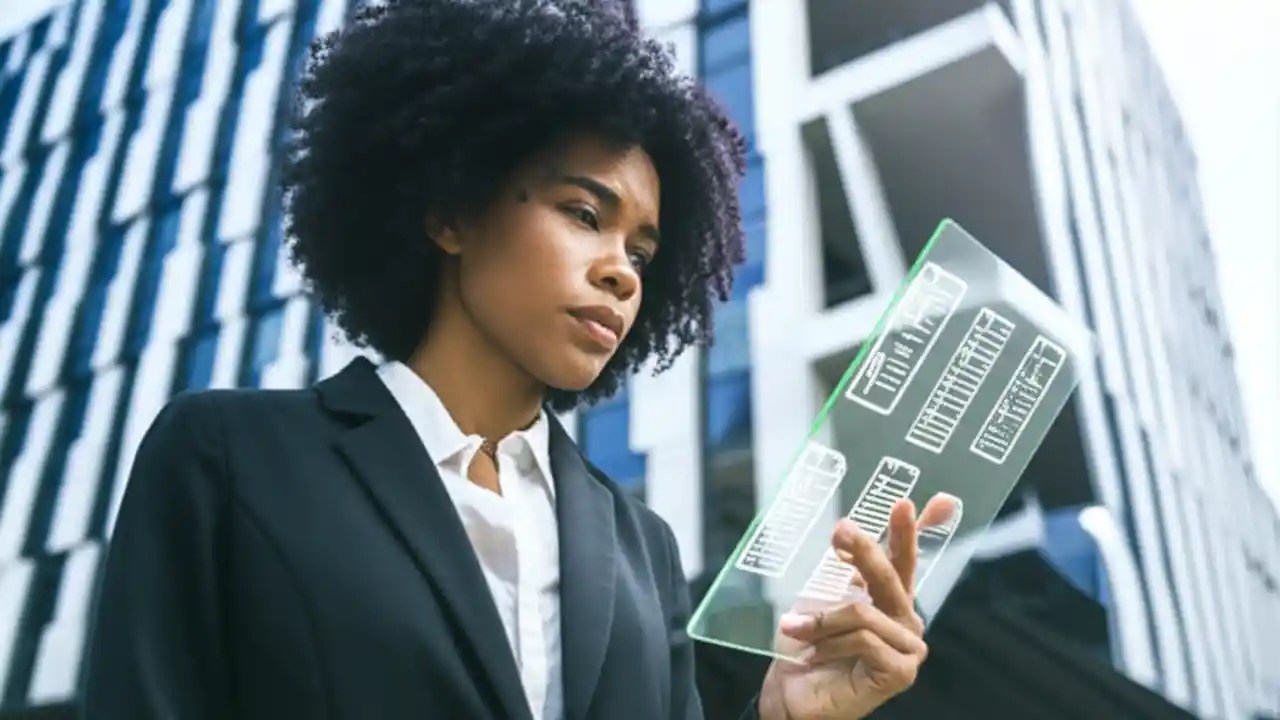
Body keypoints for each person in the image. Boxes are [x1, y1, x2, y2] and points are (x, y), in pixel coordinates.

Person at [81, 1, 937, 718]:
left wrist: (784, 714)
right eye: (581, 212)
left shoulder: (641, 547)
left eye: (642, 254)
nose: (618, 270)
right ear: (451, 213)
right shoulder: (231, 458)